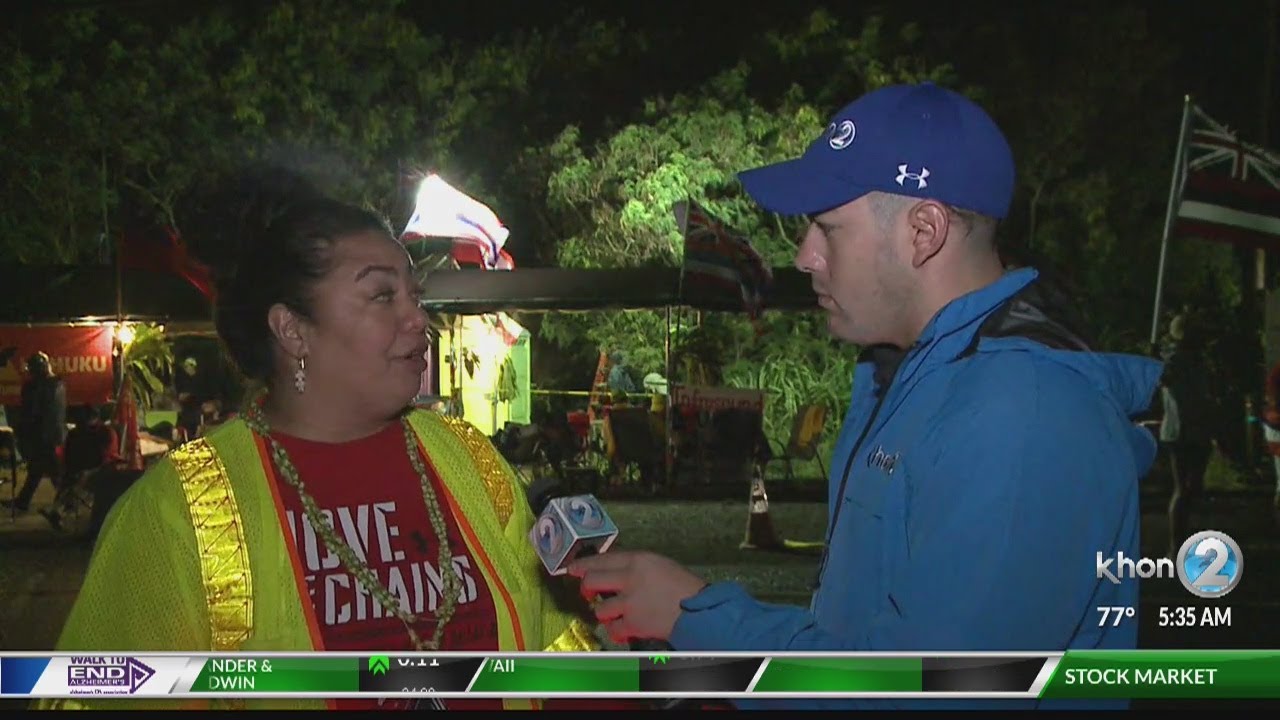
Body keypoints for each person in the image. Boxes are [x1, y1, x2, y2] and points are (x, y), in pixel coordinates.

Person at [568, 82, 1161, 709]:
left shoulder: (1023, 416)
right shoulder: (906, 378)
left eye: (827, 228)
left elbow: (931, 692)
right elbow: (864, 630)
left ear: (923, 231)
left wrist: (701, 619)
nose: (805, 257)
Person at [43, 170, 604, 711]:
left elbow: (556, 657)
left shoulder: (469, 459)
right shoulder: (178, 511)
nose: (418, 318)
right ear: (292, 329)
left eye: (415, 294)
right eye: (382, 296)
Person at [1156, 310, 1215, 558]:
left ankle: (1183, 538)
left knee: (1192, 489)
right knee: (1183, 489)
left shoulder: (1196, 360)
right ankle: (1175, 546)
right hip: (1181, 431)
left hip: (1196, 429)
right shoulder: (1175, 360)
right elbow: (1164, 378)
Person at [3, 351, 67, 513]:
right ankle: (23, 501)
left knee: (52, 471)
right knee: (39, 469)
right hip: (54, 435)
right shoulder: (58, 384)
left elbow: (30, 413)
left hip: (41, 436)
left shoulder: (36, 387)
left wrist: (22, 431)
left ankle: (67, 501)